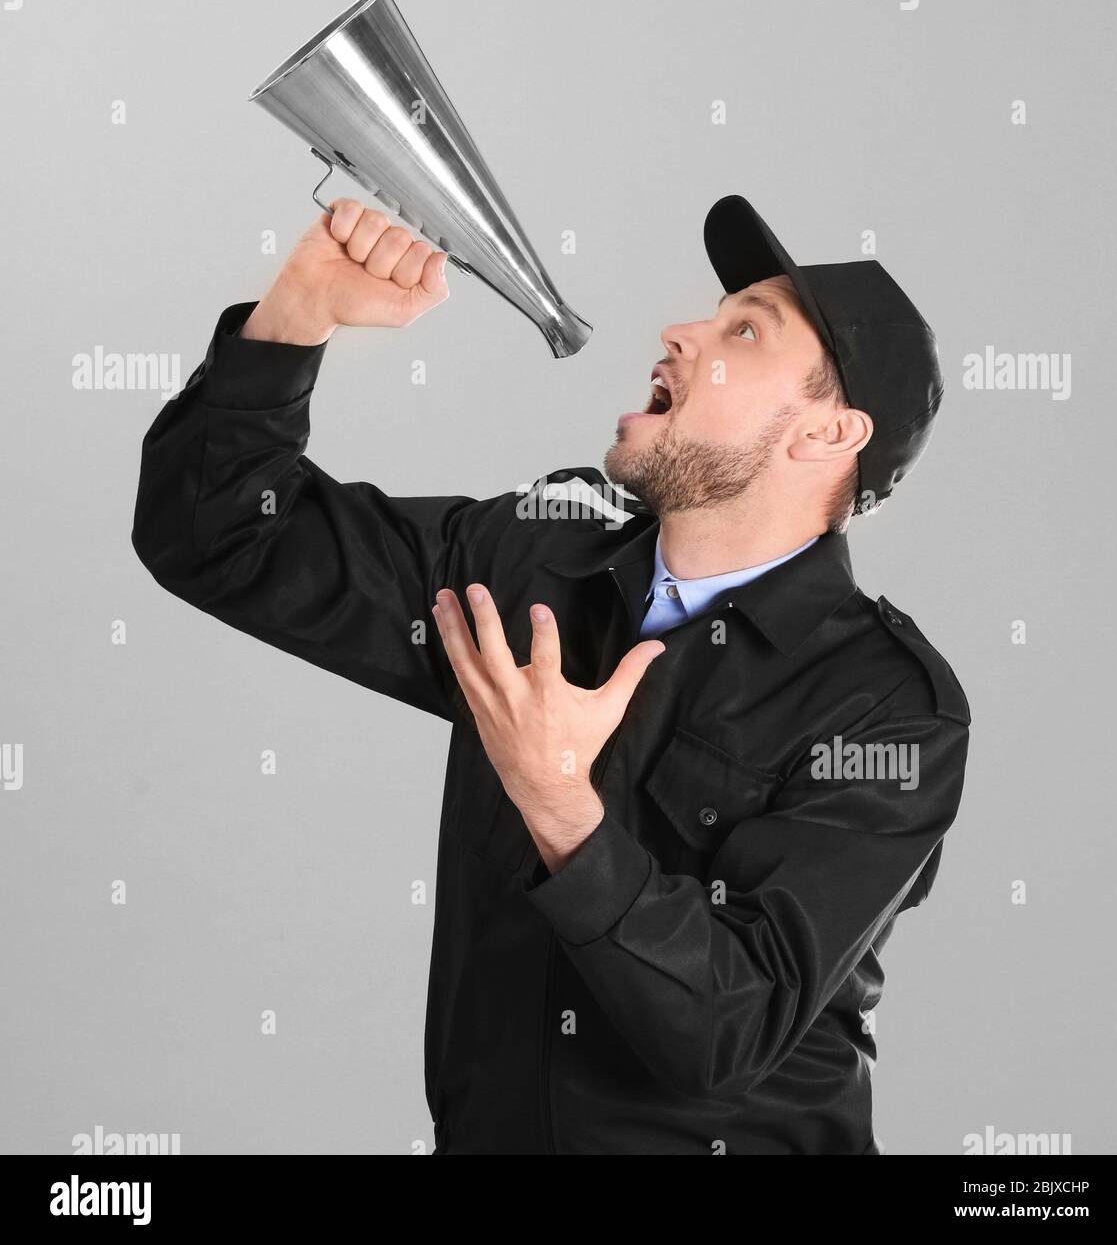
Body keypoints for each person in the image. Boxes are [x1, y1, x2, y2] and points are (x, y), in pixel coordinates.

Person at [131, 193, 970, 1155]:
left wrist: (562, 809)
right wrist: (297, 313)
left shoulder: (888, 711)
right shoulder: (533, 555)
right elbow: (220, 539)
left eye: (745, 330)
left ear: (827, 436)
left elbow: (726, 1027)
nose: (681, 333)